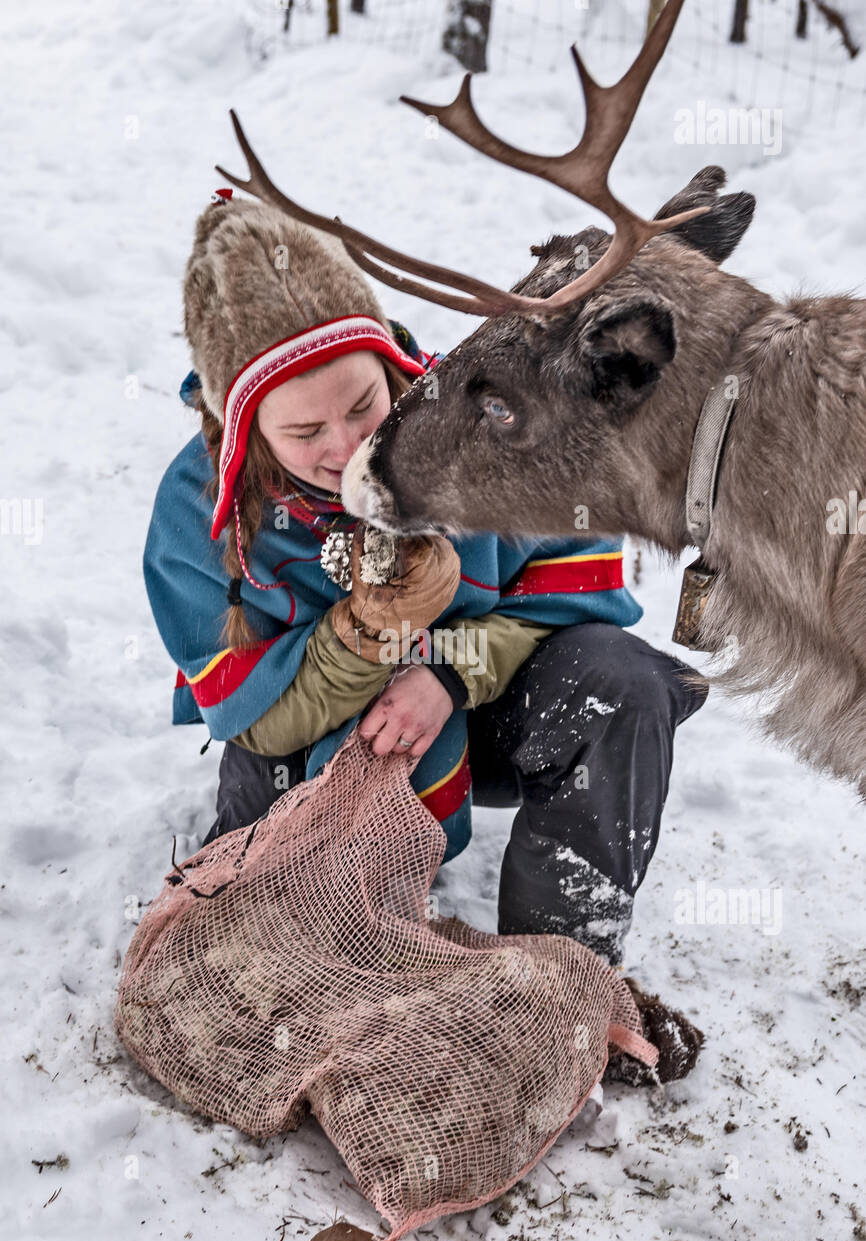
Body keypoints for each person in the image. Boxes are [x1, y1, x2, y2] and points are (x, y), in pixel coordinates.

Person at [143, 192, 708, 1081]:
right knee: (267, 948)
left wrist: (446, 668)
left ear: (394, 364)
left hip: (475, 716)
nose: (343, 448)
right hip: (320, 746)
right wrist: (370, 637)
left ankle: (559, 981)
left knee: (620, 682)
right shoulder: (200, 517)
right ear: (242, 424)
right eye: (302, 431)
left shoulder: (480, 415)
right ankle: (347, 947)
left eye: (364, 406)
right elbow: (259, 720)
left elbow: (572, 585)